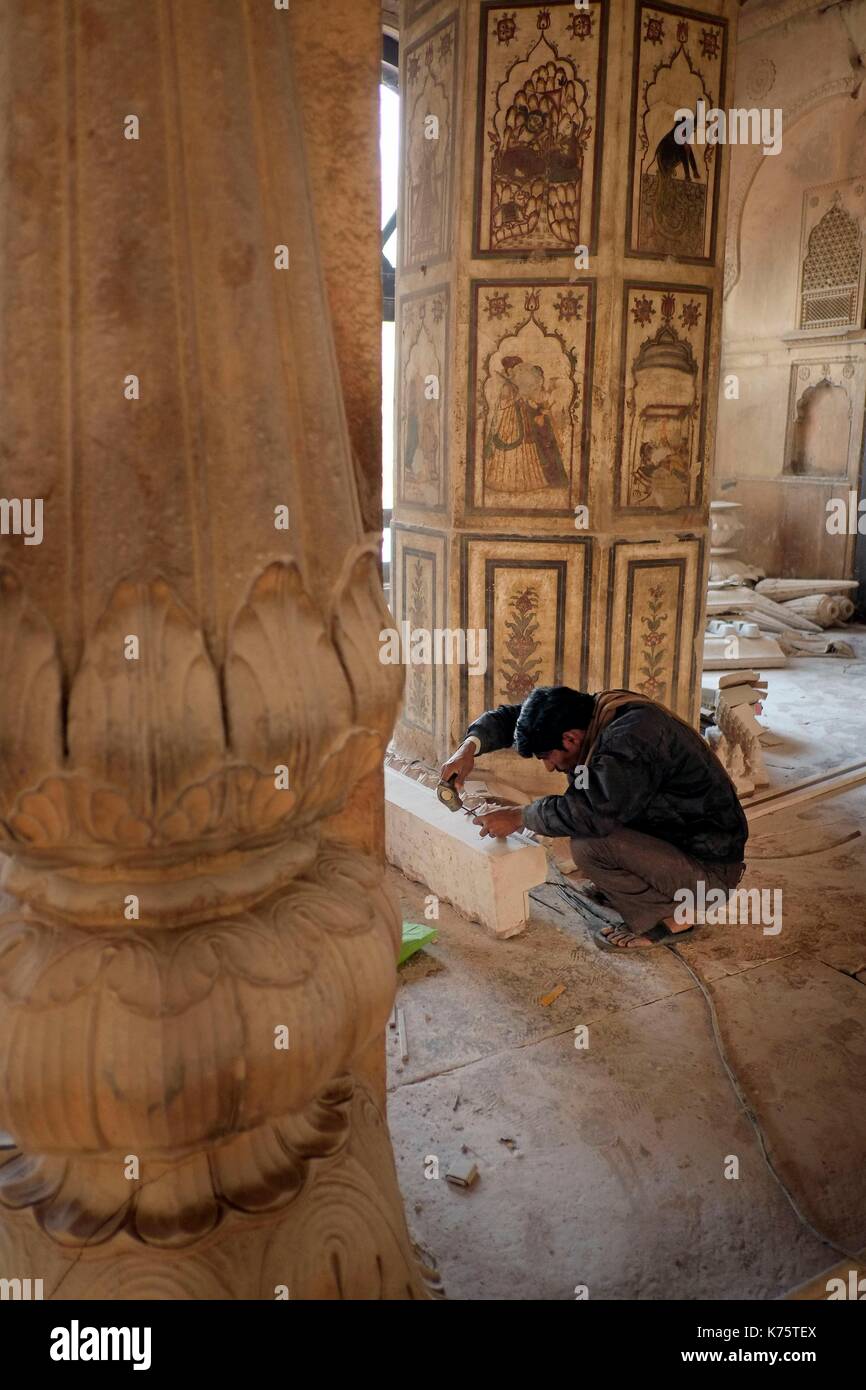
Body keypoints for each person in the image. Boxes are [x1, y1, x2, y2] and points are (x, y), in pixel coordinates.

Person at [440, 685, 748, 949]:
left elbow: (590, 814)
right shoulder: (589, 711)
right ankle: (646, 887)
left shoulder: (630, 741)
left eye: (547, 756)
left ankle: (672, 918)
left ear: (571, 739)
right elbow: (512, 719)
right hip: (679, 841)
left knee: (589, 846)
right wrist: (469, 748)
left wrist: (520, 816)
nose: (548, 767)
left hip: (711, 871)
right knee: (593, 822)